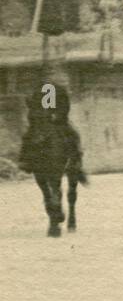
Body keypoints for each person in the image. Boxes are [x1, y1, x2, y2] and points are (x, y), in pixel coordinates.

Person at [18, 84, 87, 237]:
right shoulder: (37, 91)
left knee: (72, 135)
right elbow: (32, 110)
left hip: (58, 124)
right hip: (40, 124)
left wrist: (58, 116)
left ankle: (75, 160)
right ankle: (26, 161)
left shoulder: (59, 90)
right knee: (28, 137)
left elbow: (65, 108)